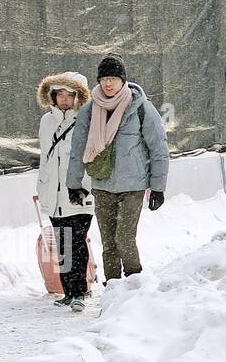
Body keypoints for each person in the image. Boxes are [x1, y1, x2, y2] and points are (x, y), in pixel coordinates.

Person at [66, 54, 169, 283]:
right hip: (102, 184)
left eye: (113, 78)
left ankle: (135, 283)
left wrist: (158, 188)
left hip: (133, 185)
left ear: (123, 80)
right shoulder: (90, 111)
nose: (108, 83)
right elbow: (77, 150)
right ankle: (112, 288)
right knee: (109, 243)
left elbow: (159, 148)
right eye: (103, 79)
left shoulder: (140, 108)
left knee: (124, 238)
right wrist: (73, 184)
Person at [36, 71, 96, 310]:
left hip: (79, 191)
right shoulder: (46, 121)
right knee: (62, 242)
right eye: (59, 93)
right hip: (54, 193)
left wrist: (85, 186)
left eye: (68, 94)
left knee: (77, 241)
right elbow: (45, 158)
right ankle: (69, 291)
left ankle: (80, 291)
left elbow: (92, 157)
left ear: (78, 96)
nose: (63, 99)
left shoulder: (87, 120)